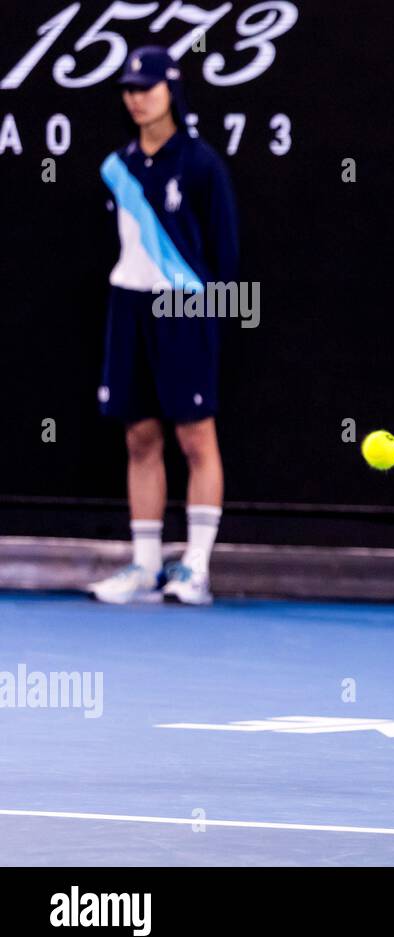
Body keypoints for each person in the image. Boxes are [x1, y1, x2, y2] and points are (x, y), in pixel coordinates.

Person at [87, 46, 238, 606]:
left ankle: (195, 565)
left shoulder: (200, 164)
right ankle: (147, 565)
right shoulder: (116, 167)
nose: (136, 97)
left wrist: (210, 315)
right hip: (129, 305)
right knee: (139, 436)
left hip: (186, 307)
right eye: (128, 88)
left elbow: (224, 251)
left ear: (171, 91)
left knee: (195, 434)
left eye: (146, 87)